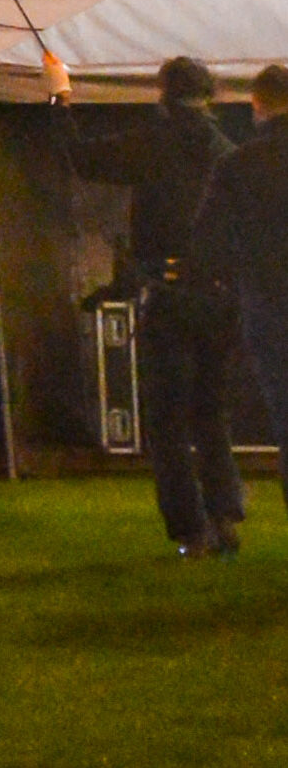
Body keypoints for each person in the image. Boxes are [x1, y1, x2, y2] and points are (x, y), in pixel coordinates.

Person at [131, 57, 242, 556]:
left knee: (168, 419)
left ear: (163, 93)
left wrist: (58, 98)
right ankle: (225, 514)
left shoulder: (150, 143)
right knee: (211, 411)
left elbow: (77, 156)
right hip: (218, 295)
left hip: (169, 291)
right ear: (209, 94)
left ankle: (189, 529)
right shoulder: (227, 152)